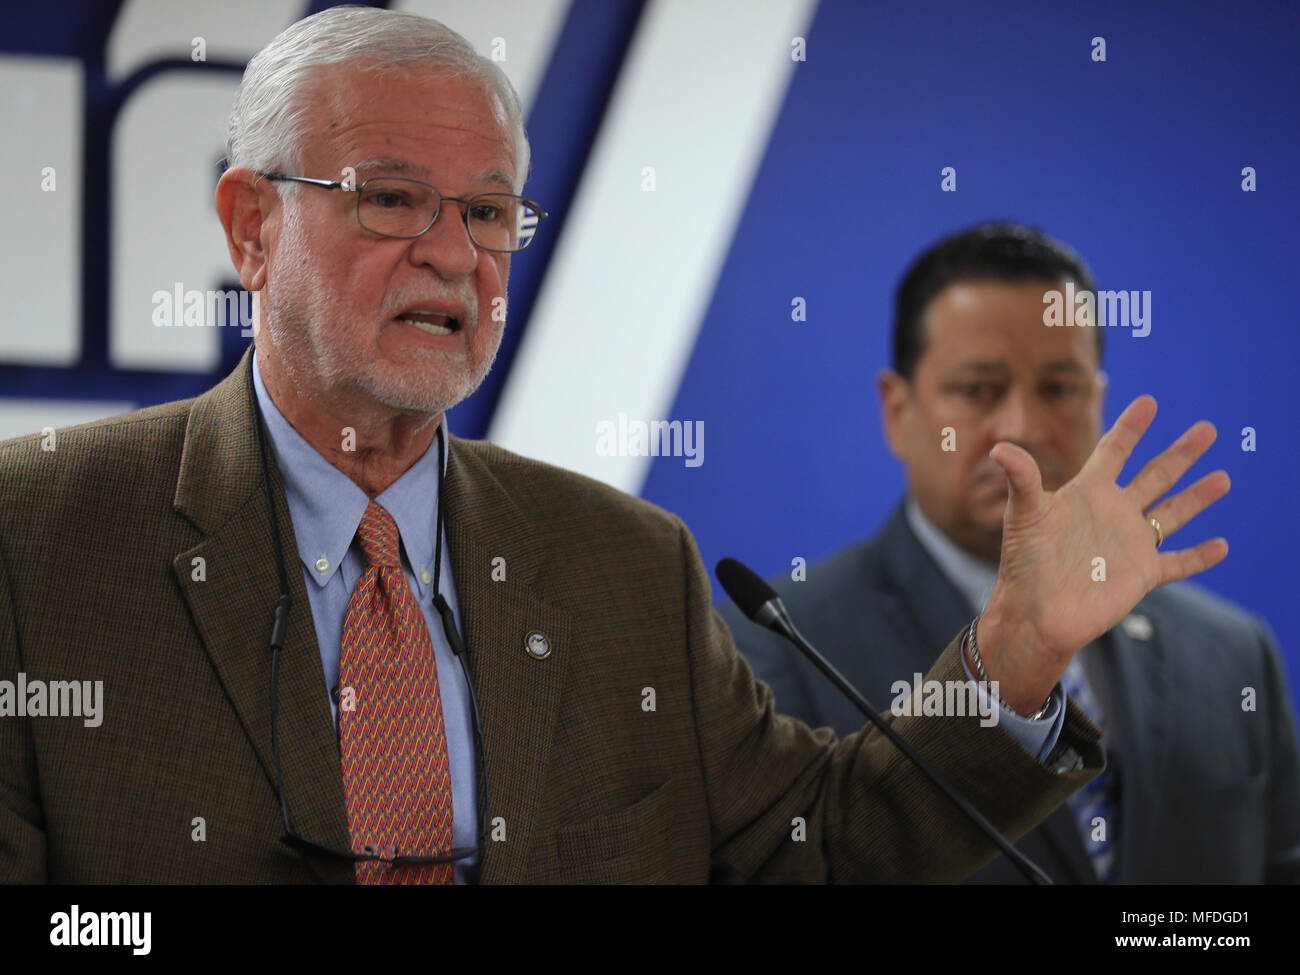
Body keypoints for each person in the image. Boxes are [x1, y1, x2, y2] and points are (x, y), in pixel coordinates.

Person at [0, 10, 1228, 884]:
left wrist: (1009, 657)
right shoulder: (37, 538)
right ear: (252, 225)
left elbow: (813, 847)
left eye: (487, 212)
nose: (451, 253)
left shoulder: (623, 564)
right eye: (389, 197)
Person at [721, 223, 1300, 883]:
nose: (1021, 427)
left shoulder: (1232, 651)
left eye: (1059, 389)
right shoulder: (774, 648)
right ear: (897, 409)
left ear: (1099, 401)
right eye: (977, 390)